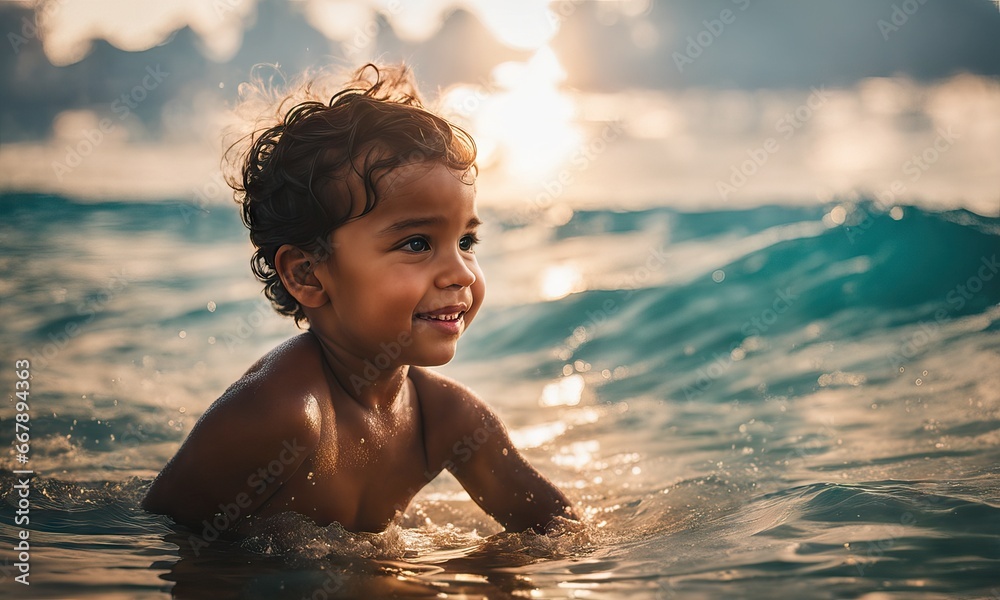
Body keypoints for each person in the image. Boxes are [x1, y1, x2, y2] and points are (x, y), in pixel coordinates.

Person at [142, 64, 579, 537]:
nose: (459, 273)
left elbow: (562, 532)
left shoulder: (446, 420)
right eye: (416, 243)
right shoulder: (281, 413)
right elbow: (158, 544)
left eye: (466, 243)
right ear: (307, 274)